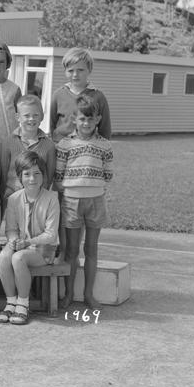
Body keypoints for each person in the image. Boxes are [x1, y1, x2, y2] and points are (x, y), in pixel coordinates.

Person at [54, 94, 113, 310]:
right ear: (74, 119)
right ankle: (69, 294)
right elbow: (58, 174)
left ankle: (88, 294)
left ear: (97, 119)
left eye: (90, 119)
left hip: (96, 201)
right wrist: (73, 188)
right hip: (72, 202)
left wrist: (92, 184)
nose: (86, 123)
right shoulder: (65, 144)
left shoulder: (105, 145)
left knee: (91, 249)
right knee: (71, 250)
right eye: (82, 119)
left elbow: (108, 173)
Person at [0, 151, 59, 325]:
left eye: (37, 173)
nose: (32, 178)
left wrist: (28, 242)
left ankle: (23, 304)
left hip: (43, 250)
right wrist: (14, 241)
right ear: (19, 177)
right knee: (4, 256)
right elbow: (11, 229)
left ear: (43, 176)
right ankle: (11, 302)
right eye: (27, 174)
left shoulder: (51, 199)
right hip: (21, 244)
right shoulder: (13, 199)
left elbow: (51, 234)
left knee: (18, 257)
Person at [0, 95, 56, 209]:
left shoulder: (49, 145)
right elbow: (3, 174)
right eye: (27, 115)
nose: (31, 119)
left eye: (35, 115)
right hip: (12, 198)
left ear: (42, 116)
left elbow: (49, 176)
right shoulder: (8, 142)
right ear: (18, 117)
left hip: (38, 200)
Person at [50, 47, 112, 142]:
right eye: (71, 71)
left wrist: (103, 147)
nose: (75, 74)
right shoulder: (58, 95)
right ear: (65, 71)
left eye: (80, 70)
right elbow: (52, 124)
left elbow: (105, 129)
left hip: (88, 147)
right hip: (61, 146)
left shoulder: (99, 97)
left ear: (89, 70)